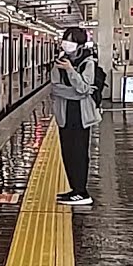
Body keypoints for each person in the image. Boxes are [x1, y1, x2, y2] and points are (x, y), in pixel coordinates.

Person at [51, 27, 102, 206]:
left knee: (79, 153)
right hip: (64, 115)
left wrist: (71, 71)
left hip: (82, 117)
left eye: (71, 40)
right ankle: (74, 189)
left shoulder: (88, 63)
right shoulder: (58, 62)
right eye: (66, 39)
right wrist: (77, 93)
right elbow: (55, 88)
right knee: (67, 153)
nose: (67, 43)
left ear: (80, 44)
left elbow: (84, 88)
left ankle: (82, 192)